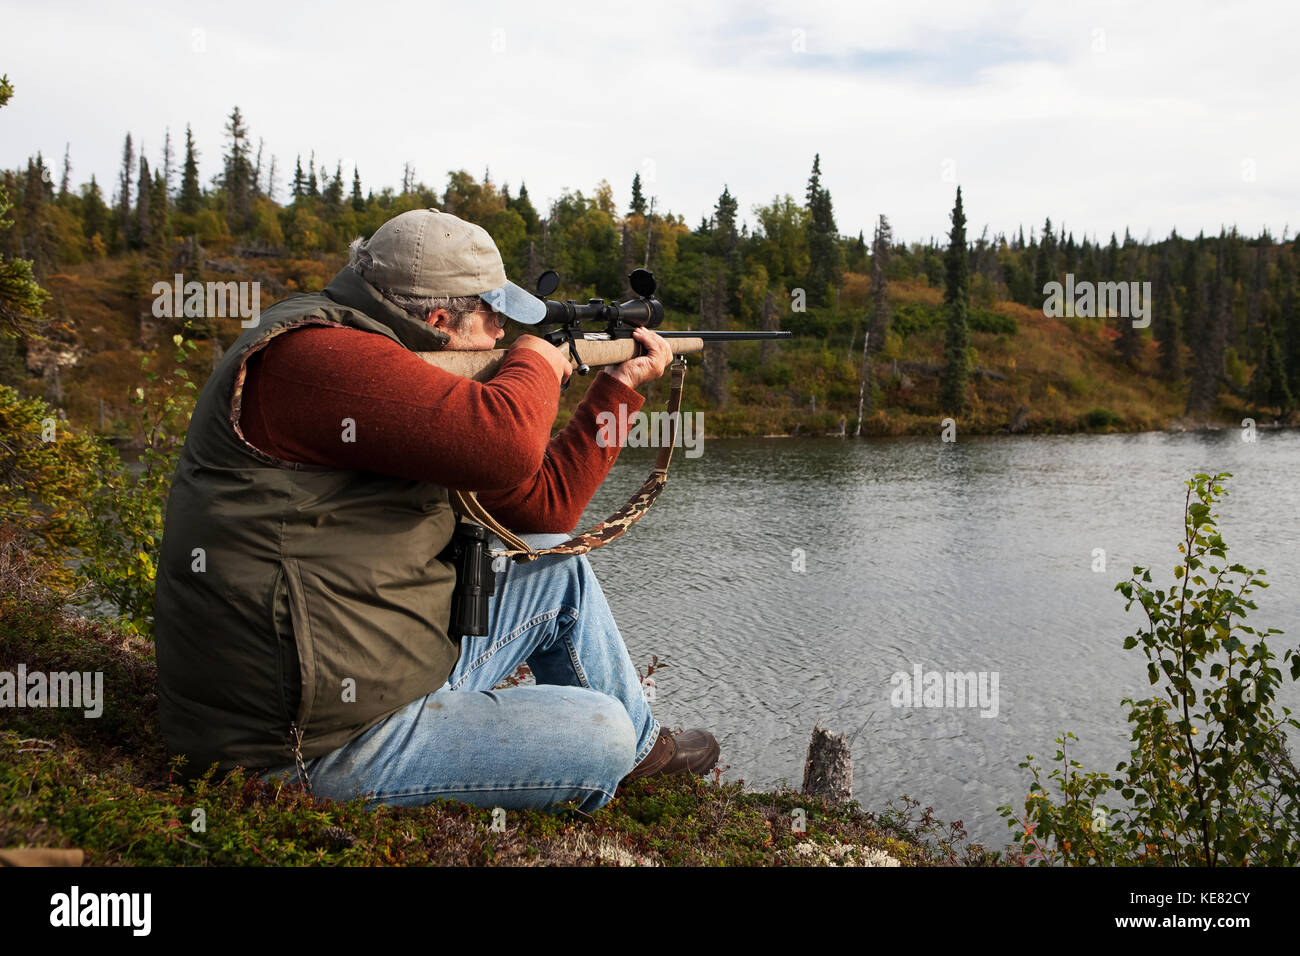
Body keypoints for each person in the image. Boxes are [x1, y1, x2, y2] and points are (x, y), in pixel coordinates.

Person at [153, 208, 719, 814]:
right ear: (441, 320)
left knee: (554, 569)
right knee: (597, 731)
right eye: (493, 316)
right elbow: (504, 443)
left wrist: (620, 387)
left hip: (372, 673)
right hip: (306, 747)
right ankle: (618, 748)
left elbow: (541, 505)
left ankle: (643, 753)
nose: (501, 332)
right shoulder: (313, 358)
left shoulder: (382, 364)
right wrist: (539, 359)